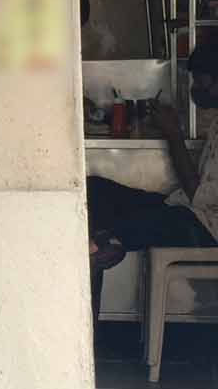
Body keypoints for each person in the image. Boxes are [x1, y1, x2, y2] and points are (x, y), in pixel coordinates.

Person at [88, 41, 218, 283]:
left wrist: (173, 134)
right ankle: (102, 245)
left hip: (209, 229)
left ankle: (106, 245)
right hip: (191, 210)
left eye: (202, 82)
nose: (196, 89)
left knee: (167, 219)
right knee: (96, 190)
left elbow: (199, 197)